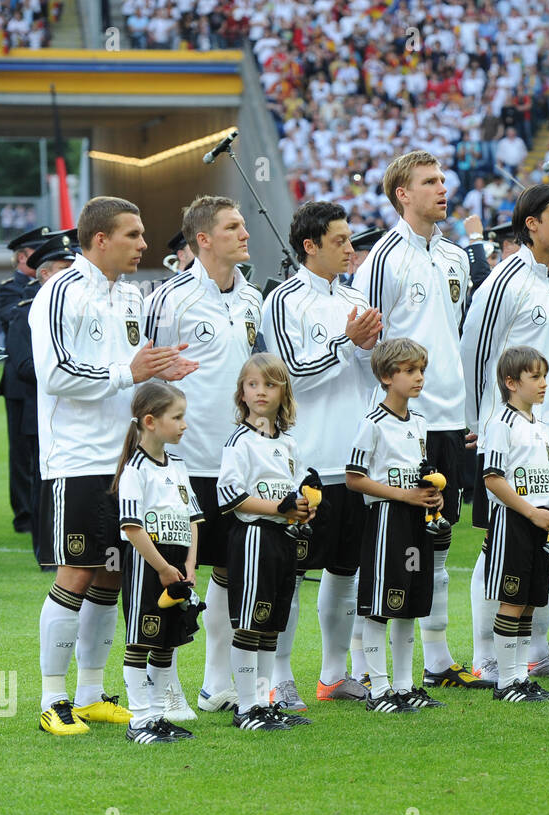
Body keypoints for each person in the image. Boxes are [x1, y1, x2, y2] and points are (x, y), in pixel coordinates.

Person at [31, 196, 197, 736]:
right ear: (100, 239)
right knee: (76, 573)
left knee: (110, 575)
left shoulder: (130, 295)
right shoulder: (59, 291)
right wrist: (130, 373)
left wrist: (163, 369)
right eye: (133, 235)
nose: (144, 244)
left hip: (126, 461)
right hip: (77, 458)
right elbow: (55, 373)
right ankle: (52, 700)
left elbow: (133, 370)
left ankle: (89, 692)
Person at [355, 151, 483, 690]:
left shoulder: (454, 256)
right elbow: (365, 345)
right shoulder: (382, 259)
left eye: (443, 180)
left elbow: (458, 338)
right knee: (387, 544)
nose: (442, 189)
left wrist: (469, 409)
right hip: (403, 423)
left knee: (439, 537)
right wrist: (384, 417)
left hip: (450, 418)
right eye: (429, 181)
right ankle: (364, 669)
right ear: (402, 194)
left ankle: (436, 661)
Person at [261, 200, 383, 709]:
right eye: (340, 241)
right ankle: (279, 677)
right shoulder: (283, 300)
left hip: (353, 462)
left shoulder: (355, 298)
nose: (350, 249)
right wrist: (347, 342)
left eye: (350, 239)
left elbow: (371, 375)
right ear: (310, 246)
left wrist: (373, 350)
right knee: (290, 573)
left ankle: (334, 675)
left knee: (345, 571)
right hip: (306, 460)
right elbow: (287, 373)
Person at [145, 196, 263, 719]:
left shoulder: (253, 299)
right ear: (204, 239)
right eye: (233, 226)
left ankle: (217, 684)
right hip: (183, 463)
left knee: (231, 573)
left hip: (237, 463)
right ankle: (163, 686)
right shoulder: (169, 299)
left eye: (243, 225)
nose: (244, 233)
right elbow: (147, 382)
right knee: (174, 575)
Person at [460, 184, 549, 679]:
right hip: (506, 434)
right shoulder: (505, 279)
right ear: (531, 224)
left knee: (541, 539)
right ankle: (486, 655)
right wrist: (479, 422)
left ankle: (536, 651)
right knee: (497, 542)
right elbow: (475, 351)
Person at [345, 337, 446, 713]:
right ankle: (378, 690)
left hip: (417, 523)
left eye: (421, 370)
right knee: (381, 605)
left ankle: (404, 686)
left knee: (410, 604)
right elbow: (354, 477)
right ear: (387, 377)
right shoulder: (372, 423)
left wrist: (432, 495)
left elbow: (419, 473)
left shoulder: (419, 422)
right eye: (409, 371)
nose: (418, 377)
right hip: (388, 521)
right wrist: (404, 496)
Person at [218, 353, 315, 730]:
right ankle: (246, 708)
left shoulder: (289, 443)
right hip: (255, 536)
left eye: (270, 385)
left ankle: (263, 701)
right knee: (250, 624)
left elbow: (298, 489)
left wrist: (307, 504)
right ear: (241, 393)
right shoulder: (239, 442)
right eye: (253, 384)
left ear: (283, 393)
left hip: (284, 540)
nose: (261, 392)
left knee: (271, 627)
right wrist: (279, 507)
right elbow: (230, 496)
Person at [113, 382, 203, 743]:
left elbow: (192, 518)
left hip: (177, 566)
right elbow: (132, 528)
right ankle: (139, 720)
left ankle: (158, 716)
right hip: (148, 566)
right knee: (141, 640)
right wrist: (163, 568)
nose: (184, 424)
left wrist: (190, 563)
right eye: (177, 417)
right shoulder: (135, 469)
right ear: (150, 421)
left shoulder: (178, 465)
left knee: (166, 641)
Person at [481, 345, 549, 702]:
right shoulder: (500, 424)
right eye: (535, 377)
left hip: (540, 524)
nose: (544, 383)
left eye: (545, 376)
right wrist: (532, 512)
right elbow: (492, 478)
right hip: (513, 522)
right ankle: (506, 682)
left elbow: (541, 476)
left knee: (531, 602)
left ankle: (520, 676)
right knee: (512, 600)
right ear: (511, 382)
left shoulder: (540, 426)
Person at [13, 233, 79, 568]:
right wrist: (68, 371)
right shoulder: (27, 311)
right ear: (45, 274)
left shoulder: (78, 309)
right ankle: (47, 552)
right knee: (45, 484)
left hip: (77, 410)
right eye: (64, 268)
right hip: (42, 411)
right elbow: (23, 365)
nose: (72, 274)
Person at [0, 224, 68, 535]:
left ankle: (41, 514)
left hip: (46, 380)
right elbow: (12, 319)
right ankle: (24, 514)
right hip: (20, 381)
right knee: (22, 452)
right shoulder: (11, 290)